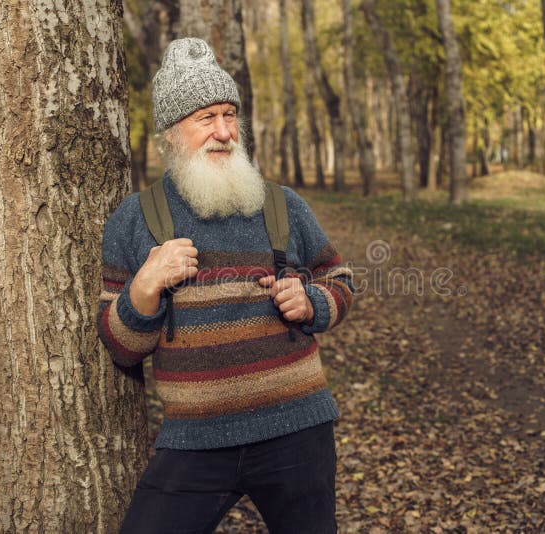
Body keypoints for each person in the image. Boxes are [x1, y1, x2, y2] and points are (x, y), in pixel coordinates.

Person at [96, 38, 354, 534]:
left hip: (296, 431)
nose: (224, 132)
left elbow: (338, 279)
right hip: (194, 441)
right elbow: (121, 349)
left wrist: (313, 302)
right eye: (205, 118)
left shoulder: (282, 205)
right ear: (171, 133)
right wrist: (145, 287)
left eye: (230, 114)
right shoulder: (135, 220)